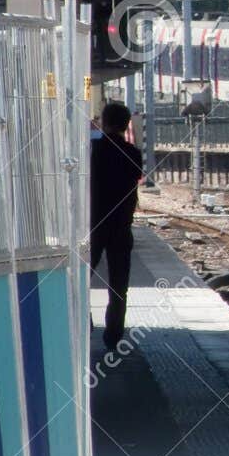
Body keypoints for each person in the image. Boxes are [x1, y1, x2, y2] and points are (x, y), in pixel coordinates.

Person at [90, 101, 144, 351]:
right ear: (126, 125)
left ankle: (85, 322)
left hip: (93, 226)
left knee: (82, 279)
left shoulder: (93, 150)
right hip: (121, 227)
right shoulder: (133, 154)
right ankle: (113, 336)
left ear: (103, 121)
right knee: (119, 284)